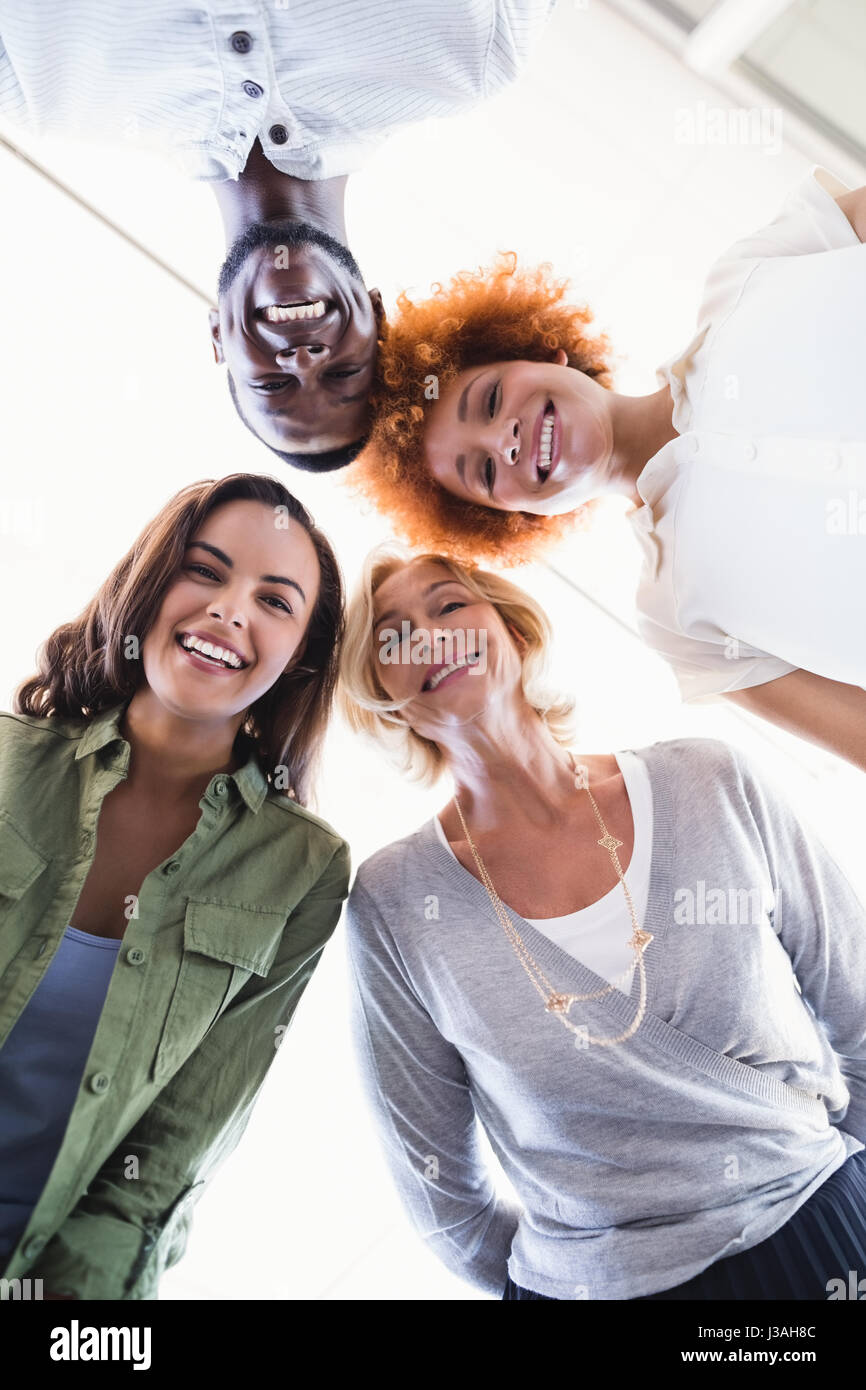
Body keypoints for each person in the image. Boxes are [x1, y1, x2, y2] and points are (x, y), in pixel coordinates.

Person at [337, 545, 866, 1300]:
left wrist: (836, 1191)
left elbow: (859, 1010)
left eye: (449, 604)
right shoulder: (392, 903)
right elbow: (440, 1196)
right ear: (381, 693)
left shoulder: (708, 781)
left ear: (511, 630)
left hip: (822, 1235)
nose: (429, 636)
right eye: (392, 636)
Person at [349, 167, 866, 769]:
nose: (505, 440)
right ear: (511, 517)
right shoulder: (680, 622)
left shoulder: (751, 274)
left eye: (489, 400)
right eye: (484, 473)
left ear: (539, 351)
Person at [0, 473, 350, 1299]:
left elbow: (169, 1158)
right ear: (151, 581)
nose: (230, 611)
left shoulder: (303, 870)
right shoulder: (6, 761)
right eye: (205, 569)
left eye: (275, 600)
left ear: (300, 654)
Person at [0, 0, 555, 468]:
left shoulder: (36, 92)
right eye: (344, 371)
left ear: (218, 337)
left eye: (272, 386)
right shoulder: (475, 56)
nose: (305, 359)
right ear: (377, 314)